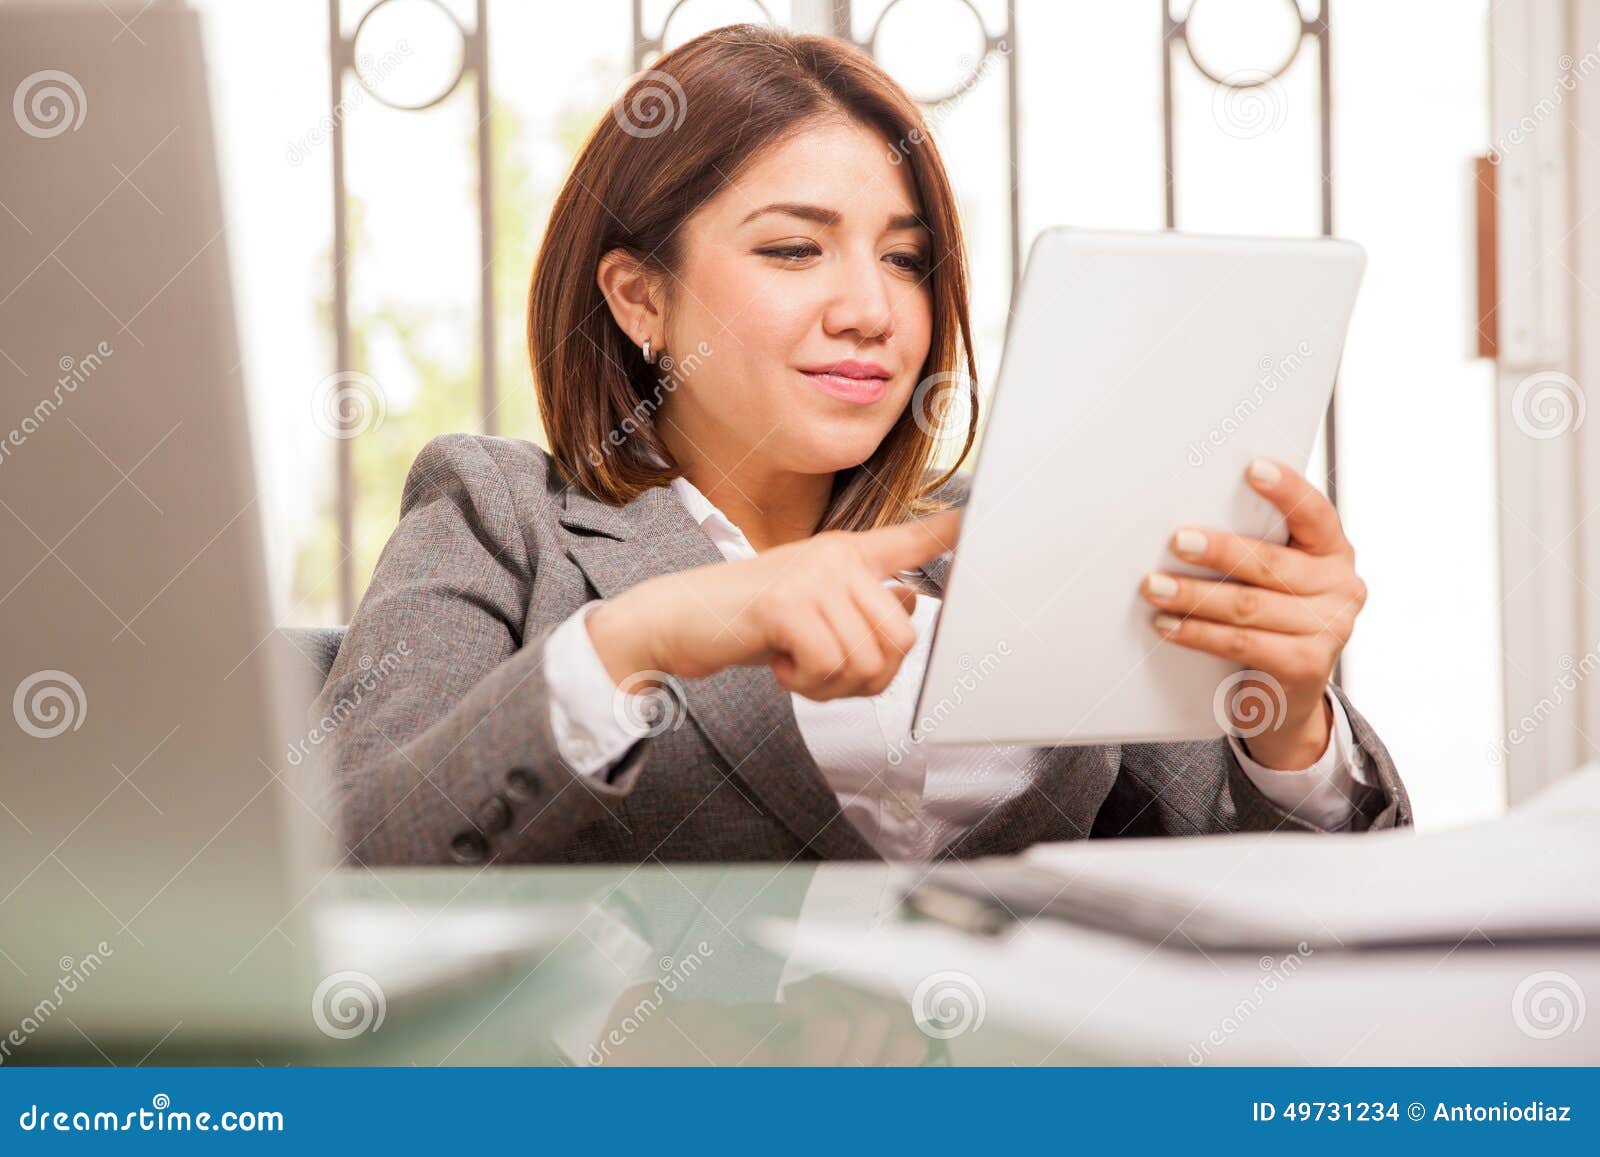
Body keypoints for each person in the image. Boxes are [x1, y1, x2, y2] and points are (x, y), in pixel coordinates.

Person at [316, 24, 1410, 868]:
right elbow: (347, 870)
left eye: (905, 259)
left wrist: (1288, 725)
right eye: (794, 250)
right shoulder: (501, 517)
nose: (870, 311)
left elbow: (1288, 921)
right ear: (641, 297)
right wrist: (643, 635)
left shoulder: (1024, 533)